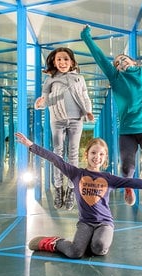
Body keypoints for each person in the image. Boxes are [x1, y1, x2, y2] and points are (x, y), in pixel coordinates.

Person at [15, 133, 142, 259]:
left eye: (101, 155)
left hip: (104, 223)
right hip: (85, 222)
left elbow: (136, 182)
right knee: (75, 252)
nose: (97, 157)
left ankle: (94, 239)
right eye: (93, 153)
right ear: (86, 154)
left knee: (99, 248)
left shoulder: (109, 178)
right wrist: (31, 145)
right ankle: (53, 242)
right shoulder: (76, 173)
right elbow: (56, 160)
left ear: (105, 158)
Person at [80, 24, 142, 206]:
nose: (121, 62)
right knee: (126, 168)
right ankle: (129, 186)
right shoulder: (116, 78)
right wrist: (86, 36)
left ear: (134, 62)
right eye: (117, 63)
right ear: (116, 69)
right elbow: (100, 58)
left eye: (124, 59)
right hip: (127, 130)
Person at [34, 47, 94, 211]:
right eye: (59, 59)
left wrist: (88, 111)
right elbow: (44, 99)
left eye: (66, 59)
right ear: (54, 61)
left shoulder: (79, 78)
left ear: (72, 62)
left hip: (76, 120)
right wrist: (39, 104)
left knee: (73, 154)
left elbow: (85, 97)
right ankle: (58, 189)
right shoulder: (50, 80)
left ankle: (71, 189)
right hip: (57, 120)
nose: (62, 62)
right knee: (57, 154)